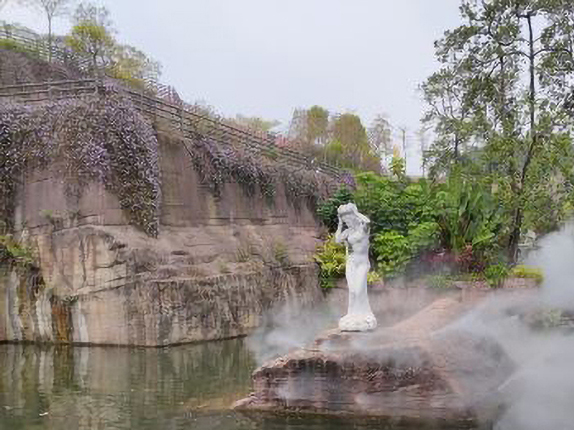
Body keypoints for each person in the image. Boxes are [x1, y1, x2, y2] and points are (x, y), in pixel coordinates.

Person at [335, 203, 377, 331]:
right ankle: (352, 314)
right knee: (352, 291)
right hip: (351, 263)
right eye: (345, 220)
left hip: (362, 263)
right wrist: (340, 224)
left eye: (348, 219)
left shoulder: (363, 228)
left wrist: (355, 212)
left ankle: (366, 314)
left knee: (359, 289)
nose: (347, 222)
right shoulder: (347, 231)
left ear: (353, 217)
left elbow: (368, 221)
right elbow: (337, 240)